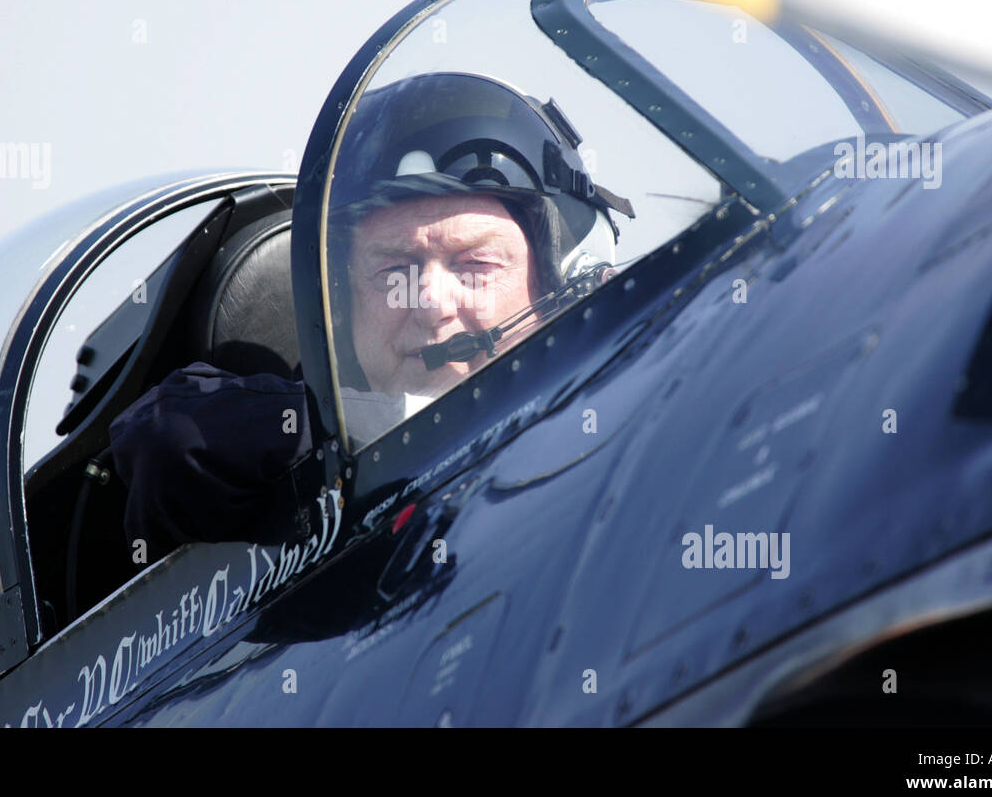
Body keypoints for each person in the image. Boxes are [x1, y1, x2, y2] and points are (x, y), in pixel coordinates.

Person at [110, 72, 633, 561]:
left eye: (475, 265)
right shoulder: (311, 466)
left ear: (565, 280)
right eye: (394, 271)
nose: (429, 304)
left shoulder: (632, 435)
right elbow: (169, 439)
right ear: (343, 305)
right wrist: (382, 429)